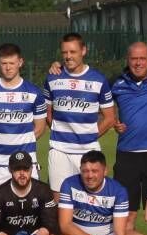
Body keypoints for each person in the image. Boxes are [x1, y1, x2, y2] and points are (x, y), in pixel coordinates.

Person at [107, 42, 147, 231]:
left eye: (142, 58)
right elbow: (95, 96)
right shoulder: (115, 82)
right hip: (127, 154)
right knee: (128, 212)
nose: (138, 63)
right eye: (134, 59)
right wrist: (113, 121)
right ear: (127, 60)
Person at [43, 33, 116, 198]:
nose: (68, 57)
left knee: (92, 199)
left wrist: (89, 135)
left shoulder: (99, 80)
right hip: (59, 149)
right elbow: (47, 111)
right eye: (64, 53)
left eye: (73, 52)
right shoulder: (53, 77)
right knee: (58, 201)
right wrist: (58, 131)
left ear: (83, 50)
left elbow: (110, 117)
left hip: (88, 149)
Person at [0, 43, 47, 193]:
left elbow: (40, 127)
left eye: (12, 63)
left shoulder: (34, 92)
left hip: (26, 161)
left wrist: (22, 142)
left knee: (29, 208)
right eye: (4, 63)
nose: (8, 67)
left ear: (20, 62)